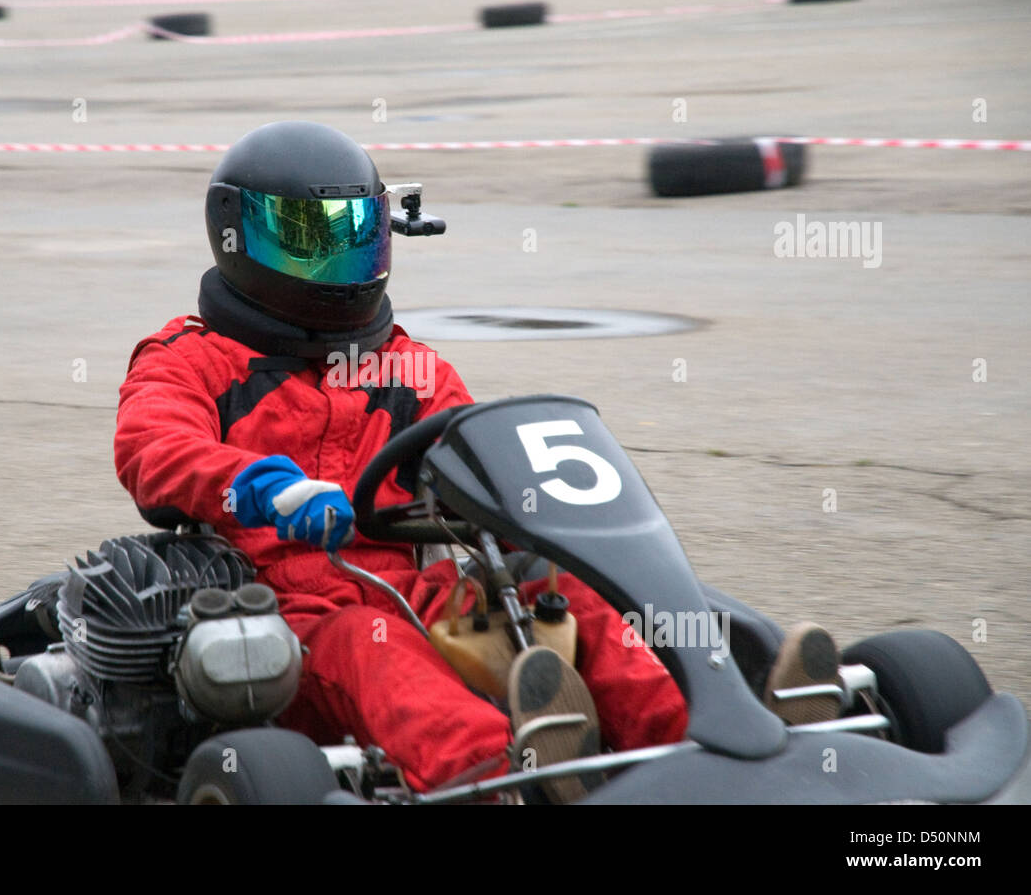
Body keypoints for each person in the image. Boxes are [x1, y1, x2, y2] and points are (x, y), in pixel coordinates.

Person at [114, 121, 838, 801]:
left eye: (356, 235)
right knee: (379, 648)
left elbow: (480, 457)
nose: (338, 259)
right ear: (238, 235)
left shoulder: (410, 369)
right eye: (312, 239)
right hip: (288, 617)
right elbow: (154, 448)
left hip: (417, 589)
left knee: (563, 590)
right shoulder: (193, 358)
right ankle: (499, 775)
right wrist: (259, 486)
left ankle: (704, 740)